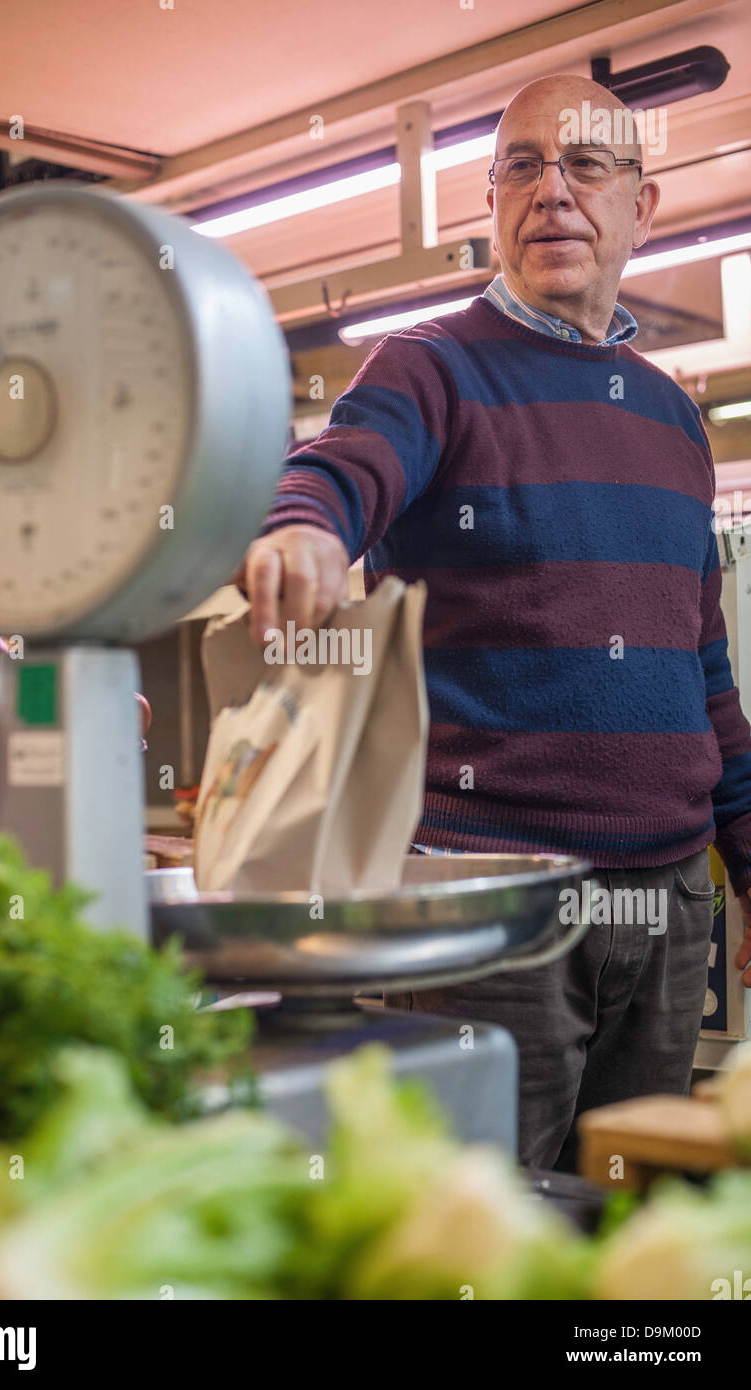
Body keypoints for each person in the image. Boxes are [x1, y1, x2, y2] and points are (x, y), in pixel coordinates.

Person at [233, 74, 751, 1170]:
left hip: (663, 911)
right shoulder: (428, 369)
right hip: (489, 908)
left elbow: (702, 680)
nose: (550, 191)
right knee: (464, 1229)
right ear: (491, 201)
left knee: (616, 1241)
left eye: (585, 165)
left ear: (638, 206)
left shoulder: (669, 420)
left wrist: (747, 867)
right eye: (521, 166)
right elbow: (342, 468)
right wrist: (303, 530)